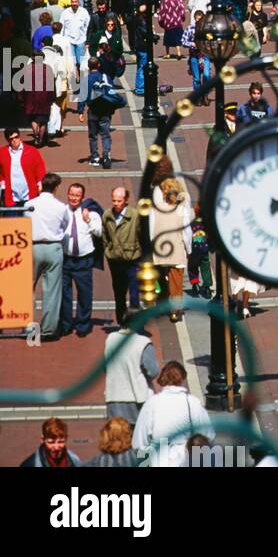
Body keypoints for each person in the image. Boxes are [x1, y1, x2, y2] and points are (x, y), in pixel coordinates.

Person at [131, 361, 214, 467]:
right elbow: (208, 434)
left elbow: (139, 442)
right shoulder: (192, 402)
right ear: (182, 379)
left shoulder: (152, 403)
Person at [30, 171, 70, 340]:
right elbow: (65, 224)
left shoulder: (30, 203)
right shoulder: (61, 207)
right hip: (54, 247)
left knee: (27, 288)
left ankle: (26, 324)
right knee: (52, 291)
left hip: (33, 247)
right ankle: (48, 329)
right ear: (55, 187)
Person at [60, 180, 102, 338]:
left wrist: (88, 220)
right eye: (71, 194)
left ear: (82, 197)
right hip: (65, 258)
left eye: (77, 195)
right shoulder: (62, 211)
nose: (74, 198)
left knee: (84, 294)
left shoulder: (90, 213)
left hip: (84, 259)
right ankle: (66, 324)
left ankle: (83, 325)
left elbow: (99, 232)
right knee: (65, 294)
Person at [151, 177, 193, 322]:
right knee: (176, 282)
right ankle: (175, 310)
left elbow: (151, 231)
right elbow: (187, 233)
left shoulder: (155, 210)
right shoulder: (181, 210)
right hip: (176, 250)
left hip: (160, 251)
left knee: (161, 279)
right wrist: (188, 249)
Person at [103, 317, 160, 422]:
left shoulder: (110, 339)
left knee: (117, 436)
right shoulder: (143, 342)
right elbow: (153, 371)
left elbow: (105, 366)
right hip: (137, 399)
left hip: (114, 397)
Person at [103, 185, 142, 323]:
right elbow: (104, 235)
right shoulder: (107, 215)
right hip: (115, 261)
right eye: (114, 200)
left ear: (126, 200)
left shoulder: (135, 215)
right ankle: (122, 322)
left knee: (134, 294)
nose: (116, 204)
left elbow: (142, 235)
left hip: (132, 260)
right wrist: (108, 250)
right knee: (119, 294)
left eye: (119, 201)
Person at [1, 127, 46, 207]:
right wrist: (2, 184)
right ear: (8, 140)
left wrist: (40, 182)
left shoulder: (32, 151)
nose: (14, 140)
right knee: (11, 219)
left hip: (30, 196)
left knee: (31, 219)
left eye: (16, 137)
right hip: (11, 197)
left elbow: (40, 168)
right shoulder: (2, 153)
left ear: (19, 136)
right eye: (11, 139)